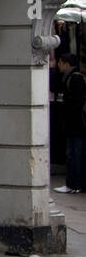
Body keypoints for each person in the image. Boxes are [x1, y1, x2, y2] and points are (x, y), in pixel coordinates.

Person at [54, 52, 85, 194]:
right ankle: (75, 184)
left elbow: (76, 103)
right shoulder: (71, 77)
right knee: (74, 153)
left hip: (76, 124)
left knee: (74, 154)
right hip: (76, 124)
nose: (58, 66)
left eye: (59, 63)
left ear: (66, 63)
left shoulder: (74, 78)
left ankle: (73, 184)